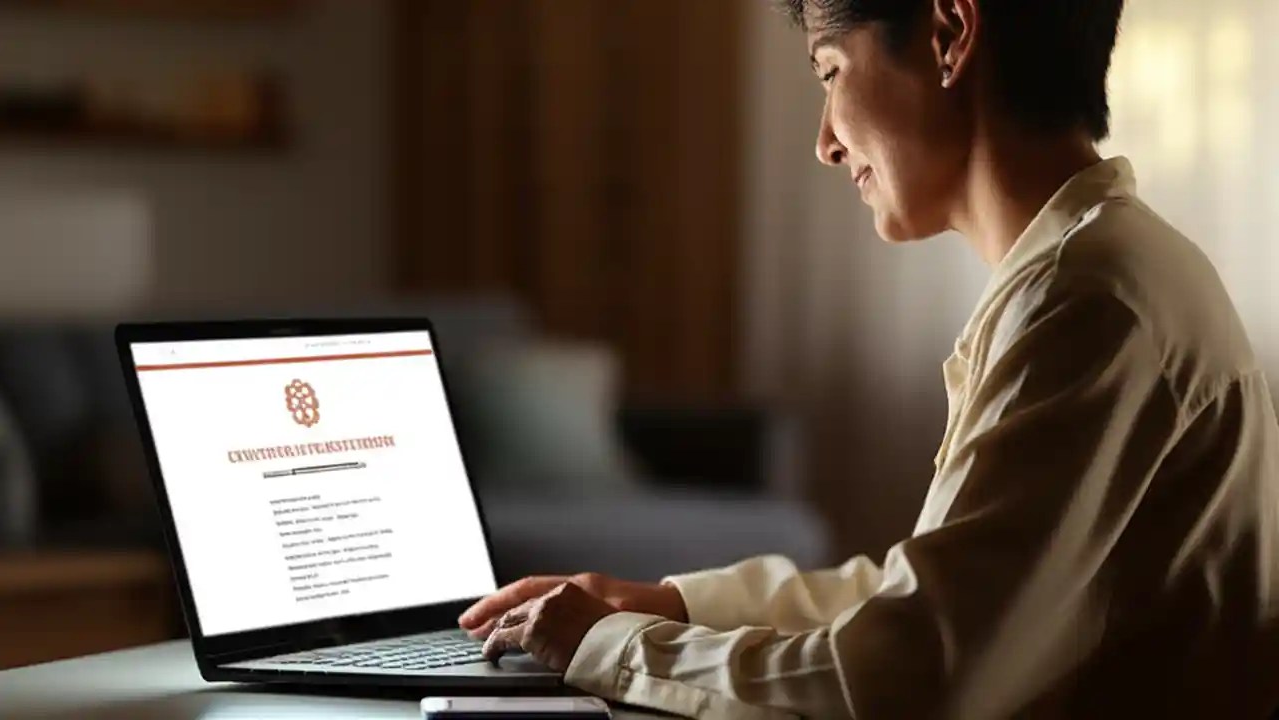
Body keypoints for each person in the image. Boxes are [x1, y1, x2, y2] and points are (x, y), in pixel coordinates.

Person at [459, 0, 1279, 717]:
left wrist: (613, 646)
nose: (824, 143)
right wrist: (673, 605)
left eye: (829, 71)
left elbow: (910, 679)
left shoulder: (1086, 303)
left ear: (950, 33)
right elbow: (931, 598)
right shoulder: (1108, 267)